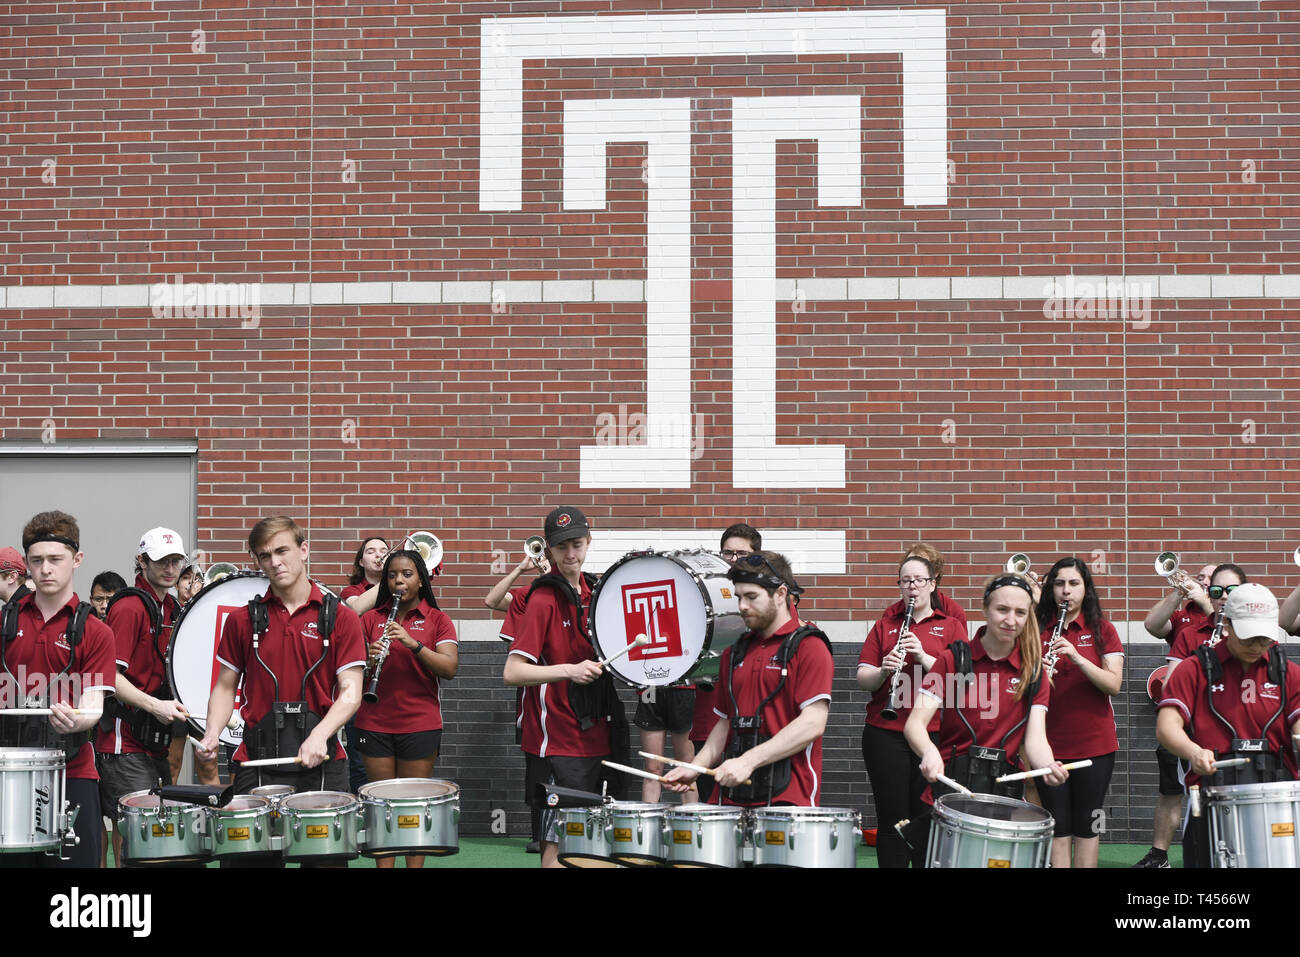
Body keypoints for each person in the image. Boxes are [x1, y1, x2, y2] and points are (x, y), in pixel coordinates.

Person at [196, 516, 366, 868]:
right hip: (256, 763)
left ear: (304, 550)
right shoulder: (243, 620)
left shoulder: (341, 617)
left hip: (323, 762)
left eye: (282, 550)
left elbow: (351, 691)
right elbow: (226, 686)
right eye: (265, 555)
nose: (275, 562)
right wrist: (212, 733)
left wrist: (320, 735)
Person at [902, 574, 1066, 860]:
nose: (1011, 620)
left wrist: (1048, 766)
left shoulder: (1034, 671)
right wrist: (928, 751)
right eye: (1002, 609)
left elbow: (1036, 739)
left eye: (1020, 613)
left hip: (1004, 798)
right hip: (950, 790)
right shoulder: (953, 659)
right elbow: (915, 724)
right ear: (986, 609)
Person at [663, 551, 833, 809]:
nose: (742, 606)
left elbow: (812, 723)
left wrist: (748, 761)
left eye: (751, 597)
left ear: (780, 594)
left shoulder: (810, 647)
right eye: (739, 597)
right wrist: (694, 768)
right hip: (730, 799)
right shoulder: (733, 653)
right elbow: (723, 725)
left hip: (788, 801)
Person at [0, 511, 116, 868]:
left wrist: (79, 719)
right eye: (36, 560)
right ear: (26, 566)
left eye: (55, 559)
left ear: (76, 560)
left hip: (73, 768)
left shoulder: (96, 632)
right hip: (8, 768)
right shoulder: (5, 621)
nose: (46, 569)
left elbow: (94, 704)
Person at [1157, 583, 1300, 868]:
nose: (1257, 646)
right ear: (1228, 626)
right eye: (1249, 637)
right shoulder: (1195, 668)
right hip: (1212, 789)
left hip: (1277, 792)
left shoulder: (1288, 671)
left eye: (1263, 638)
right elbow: (1167, 726)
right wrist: (1193, 751)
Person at [503, 506, 614, 869]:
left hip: (596, 733)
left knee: (591, 845)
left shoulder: (598, 593)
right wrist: (569, 670)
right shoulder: (542, 598)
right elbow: (513, 672)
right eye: (561, 546)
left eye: (577, 544)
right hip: (556, 742)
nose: (570, 554)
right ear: (549, 550)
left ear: (589, 542)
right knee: (556, 850)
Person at [856, 554, 967, 867]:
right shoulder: (884, 626)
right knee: (892, 817)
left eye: (919, 580)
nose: (912, 587)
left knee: (927, 816)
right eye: (905, 581)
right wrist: (882, 670)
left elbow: (963, 682)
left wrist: (924, 657)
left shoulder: (952, 627)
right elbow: (863, 678)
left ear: (932, 584)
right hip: (885, 733)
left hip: (934, 736)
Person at [354, 547, 458, 868]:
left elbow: (449, 667)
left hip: (420, 724)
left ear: (421, 581)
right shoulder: (371, 619)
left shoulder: (438, 619)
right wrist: (367, 660)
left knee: (414, 806)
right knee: (382, 805)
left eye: (407, 574)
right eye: (392, 575)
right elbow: (347, 672)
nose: (399, 580)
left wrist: (413, 644)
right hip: (374, 722)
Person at [96, 527, 191, 868]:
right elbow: (109, 676)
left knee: (154, 837)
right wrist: (155, 705)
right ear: (141, 561)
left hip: (152, 739)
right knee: (137, 836)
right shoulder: (131, 607)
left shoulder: (172, 607)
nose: (169, 568)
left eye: (175, 560)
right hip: (123, 741)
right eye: (160, 561)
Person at [1032, 558, 1124, 868]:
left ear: (1086, 589)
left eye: (1074, 584)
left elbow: (1113, 684)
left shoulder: (1103, 629)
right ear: (1051, 589)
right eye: (1059, 584)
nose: (1066, 591)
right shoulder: (1034, 628)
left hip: (1094, 745)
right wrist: (1037, 676)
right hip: (1048, 744)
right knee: (1057, 826)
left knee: (1088, 825)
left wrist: (1077, 657)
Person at [1133, 560, 1225, 868]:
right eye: (1199, 578)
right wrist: (1176, 592)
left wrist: (1205, 601)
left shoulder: (1232, 620)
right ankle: (1159, 855)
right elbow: (1152, 625)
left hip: (1219, 719)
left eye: (1207, 579)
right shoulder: (1185, 616)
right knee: (1171, 789)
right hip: (1181, 717)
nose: (1199, 582)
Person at [486, 541, 551, 852]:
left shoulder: (579, 589)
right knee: (536, 766)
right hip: (534, 693)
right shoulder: (530, 594)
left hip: (572, 690)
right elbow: (492, 599)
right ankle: (539, 833)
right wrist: (521, 569)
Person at [342, 536, 389, 615]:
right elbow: (355, 610)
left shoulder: (398, 587)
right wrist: (388, 578)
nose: (378, 555)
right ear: (361, 562)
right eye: (370, 552)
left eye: (384, 552)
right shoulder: (350, 591)